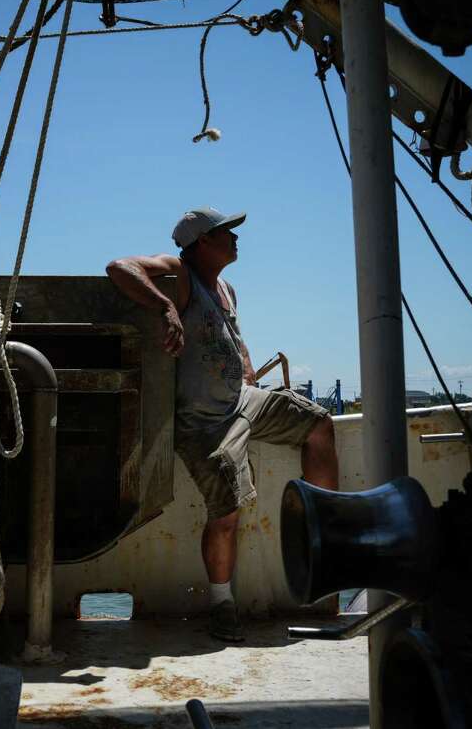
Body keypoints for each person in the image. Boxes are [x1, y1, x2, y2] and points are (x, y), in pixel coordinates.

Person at [106, 206, 339, 642]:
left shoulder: (227, 287)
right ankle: (222, 605)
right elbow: (119, 268)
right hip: (204, 421)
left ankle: (324, 534)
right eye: (226, 233)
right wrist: (165, 308)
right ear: (201, 244)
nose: (236, 239)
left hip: (243, 399)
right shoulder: (180, 273)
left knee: (319, 424)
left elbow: (235, 336)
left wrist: (248, 371)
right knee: (226, 511)